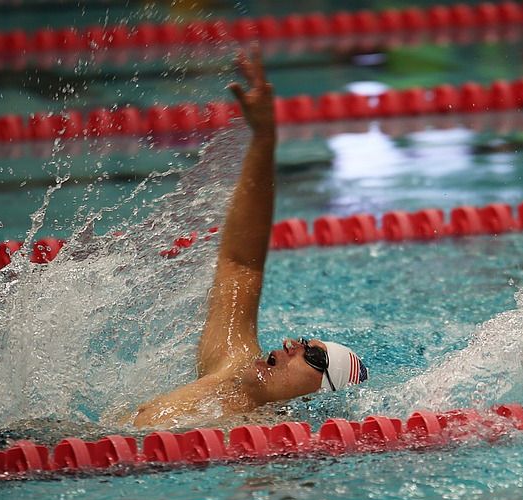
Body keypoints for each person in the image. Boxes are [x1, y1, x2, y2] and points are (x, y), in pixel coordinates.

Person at [130, 50, 368, 428]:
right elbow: (241, 262)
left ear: (319, 395)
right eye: (305, 341)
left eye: (313, 356)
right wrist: (264, 138)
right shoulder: (233, 360)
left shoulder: (253, 434)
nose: (292, 344)